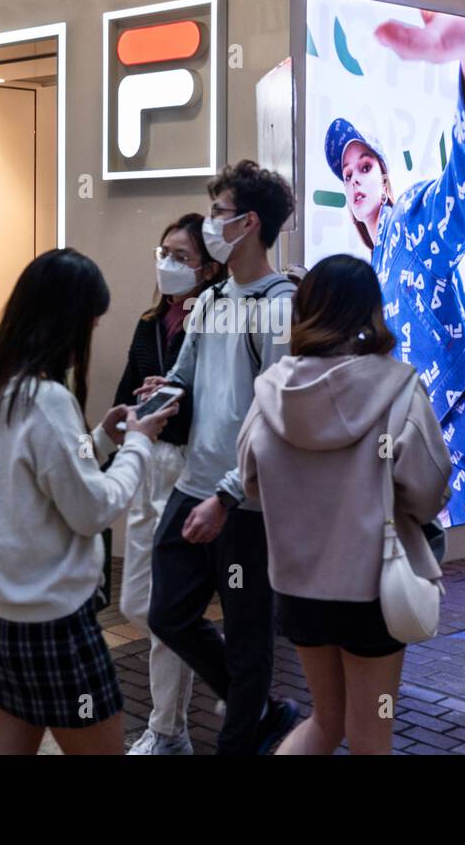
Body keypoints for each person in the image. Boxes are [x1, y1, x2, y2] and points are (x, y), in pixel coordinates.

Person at [0, 248, 175, 755]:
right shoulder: (47, 399)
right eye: (90, 324)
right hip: (52, 624)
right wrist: (141, 442)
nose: (88, 339)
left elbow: (41, 477)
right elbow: (92, 510)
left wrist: (101, 439)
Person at [237, 255, 450, 754]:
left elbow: (249, 478)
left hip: (298, 587)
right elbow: (427, 489)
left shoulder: (273, 390)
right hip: (374, 588)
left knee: (325, 720)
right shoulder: (398, 387)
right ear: (370, 311)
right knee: (372, 733)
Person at [142, 160, 300, 756]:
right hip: (194, 482)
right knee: (168, 614)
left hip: (246, 500)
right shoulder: (210, 300)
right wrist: (149, 407)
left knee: (248, 637)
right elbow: (184, 377)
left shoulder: (279, 305)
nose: (210, 225)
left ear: (249, 223)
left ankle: (243, 736)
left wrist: (229, 495)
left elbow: (276, 415)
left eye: (218, 213)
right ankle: (257, 713)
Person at [323, 10, 465, 525]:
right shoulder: (369, 266)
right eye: (347, 173)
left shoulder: (413, 220)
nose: (355, 179)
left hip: (463, 436)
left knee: (460, 587)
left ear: (384, 174)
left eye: (365, 166)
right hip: (415, 446)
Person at [113, 215, 224, 756]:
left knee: (164, 612)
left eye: (181, 256)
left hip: (190, 468)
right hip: (145, 466)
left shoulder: (217, 325)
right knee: (138, 601)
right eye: (164, 252)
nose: (168, 263)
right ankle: (208, 653)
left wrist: (180, 396)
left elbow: (225, 405)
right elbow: (123, 400)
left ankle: (167, 730)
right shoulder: (147, 324)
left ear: (207, 267)